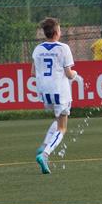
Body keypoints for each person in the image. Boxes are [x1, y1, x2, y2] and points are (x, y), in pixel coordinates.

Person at [31, 17, 83, 174]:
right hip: (59, 91)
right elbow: (68, 73)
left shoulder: (37, 49)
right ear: (56, 32)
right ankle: (45, 154)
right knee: (62, 127)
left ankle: (44, 145)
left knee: (57, 119)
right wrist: (76, 75)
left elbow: (33, 72)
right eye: (59, 29)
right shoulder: (63, 48)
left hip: (43, 91)